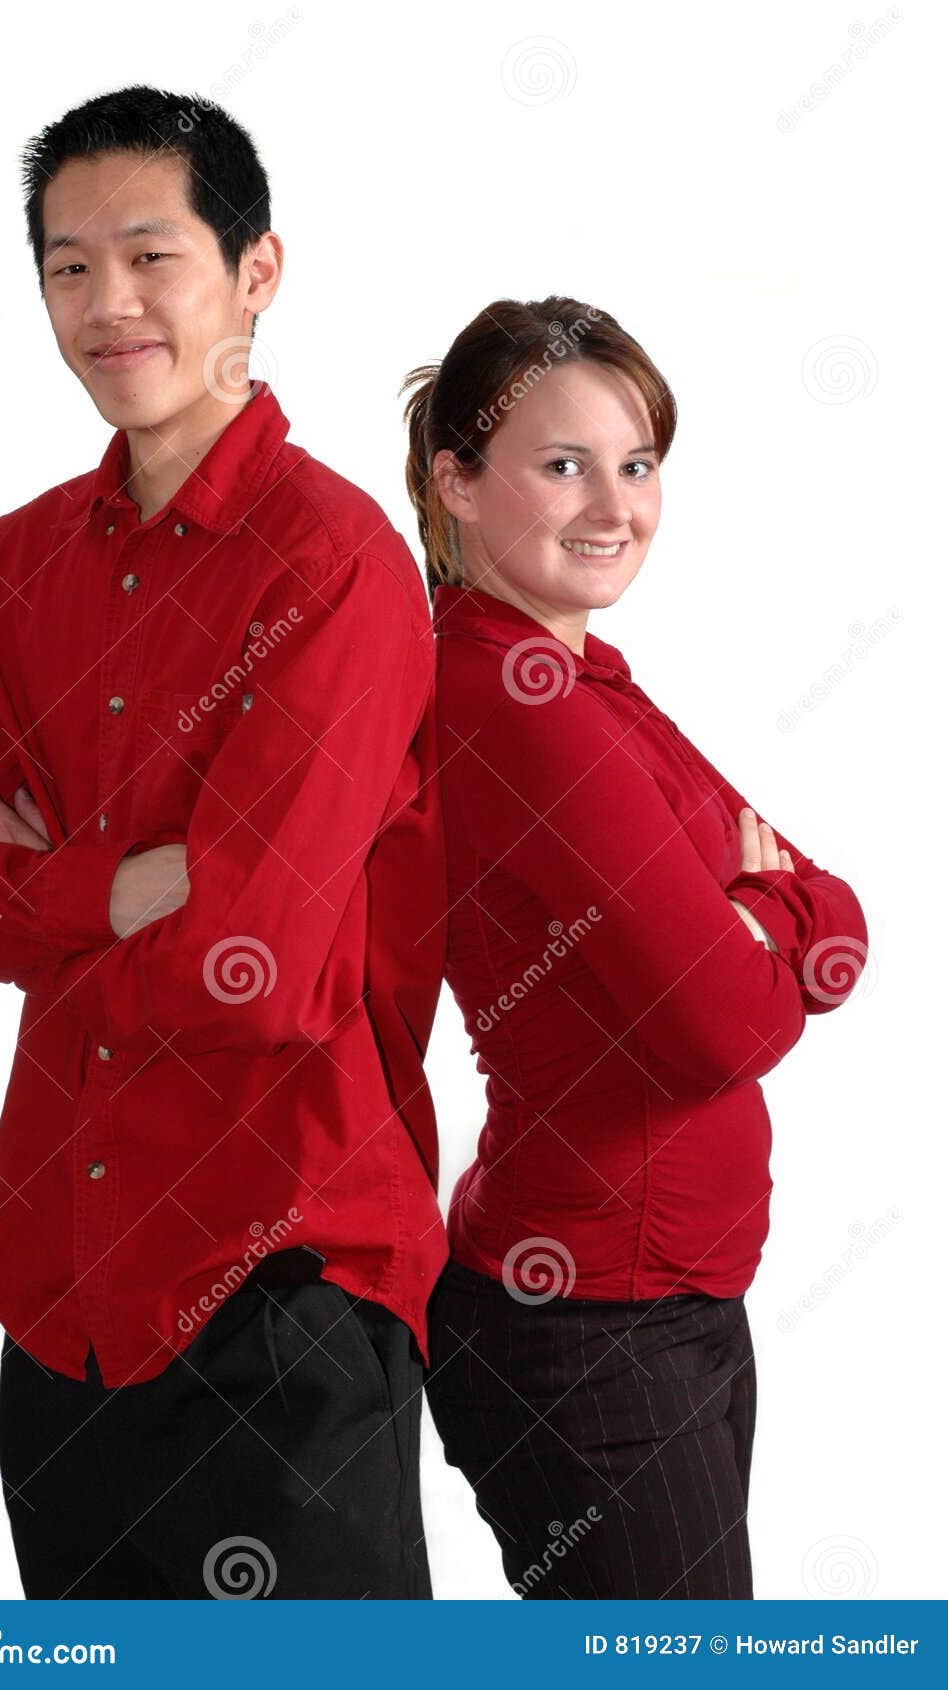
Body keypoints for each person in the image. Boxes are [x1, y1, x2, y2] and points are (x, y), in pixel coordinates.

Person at [0, 85, 447, 1601]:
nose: (106, 305)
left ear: (255, 274)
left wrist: (33, 911)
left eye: (149, 256)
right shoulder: (18, 561)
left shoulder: (338, 568)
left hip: (280, 1290)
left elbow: (257, 973)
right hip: (60, 1302)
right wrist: (121, 882)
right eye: (67, 266)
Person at [402, 296, 868, 1600]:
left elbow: (838, 907)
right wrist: (764, 910)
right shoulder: (508, 697)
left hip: (669, 1300)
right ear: (458, 479)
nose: (615, 504)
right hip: (597, 1325)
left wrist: (769, 913)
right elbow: (729, 1020)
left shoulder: (578, 673)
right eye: (563, 464)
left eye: (637, 462)